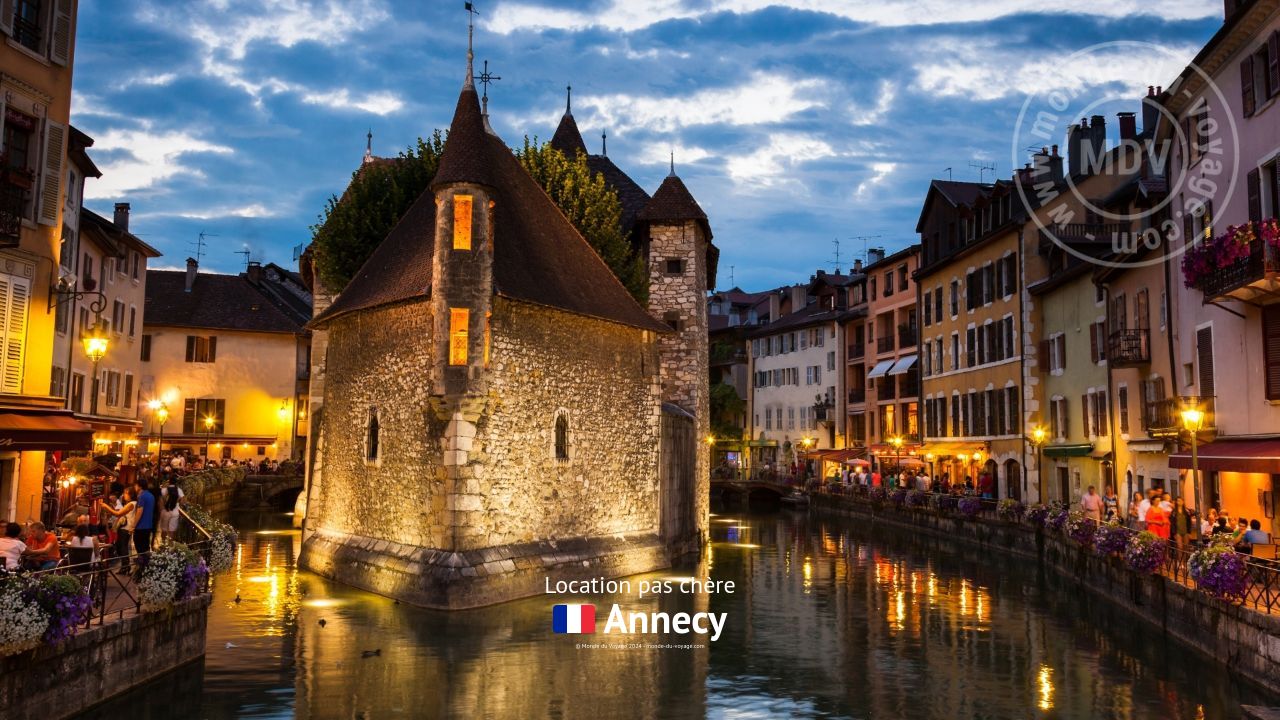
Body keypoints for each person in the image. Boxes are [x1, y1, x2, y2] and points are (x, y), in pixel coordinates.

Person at [99, 489, 137, 571]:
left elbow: (117, 513)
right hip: (126, 528)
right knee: (121, 547)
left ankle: (125, 567)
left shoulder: (131, 504)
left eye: (125, 493)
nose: (124, 495)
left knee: (122, 548)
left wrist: (106, 506)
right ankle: (125, 566)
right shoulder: (133, 503)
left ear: (130, 494)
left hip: (125, 528)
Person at [134, 479, 157, 555]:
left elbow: (139, 512)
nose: (135, 487)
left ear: (139, 486)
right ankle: (147, 564)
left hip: (141, 526)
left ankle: (142, 564)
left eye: (136, 485)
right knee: (146, 547)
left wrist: (133, 526)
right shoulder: (151, 495)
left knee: (139, 547)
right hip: (148, 525)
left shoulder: (142, 496)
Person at [158, 476, 184, 543]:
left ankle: (163, 544)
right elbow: (182, 501)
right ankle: (170, 546)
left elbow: (160, 502)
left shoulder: (163, 490)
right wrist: (178, 504)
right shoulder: (179, 490)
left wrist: (162, 510)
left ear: (169, 482)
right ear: (176, 483)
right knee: (171, 531)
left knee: (164, 530)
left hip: (165, 511)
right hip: (175, 512)